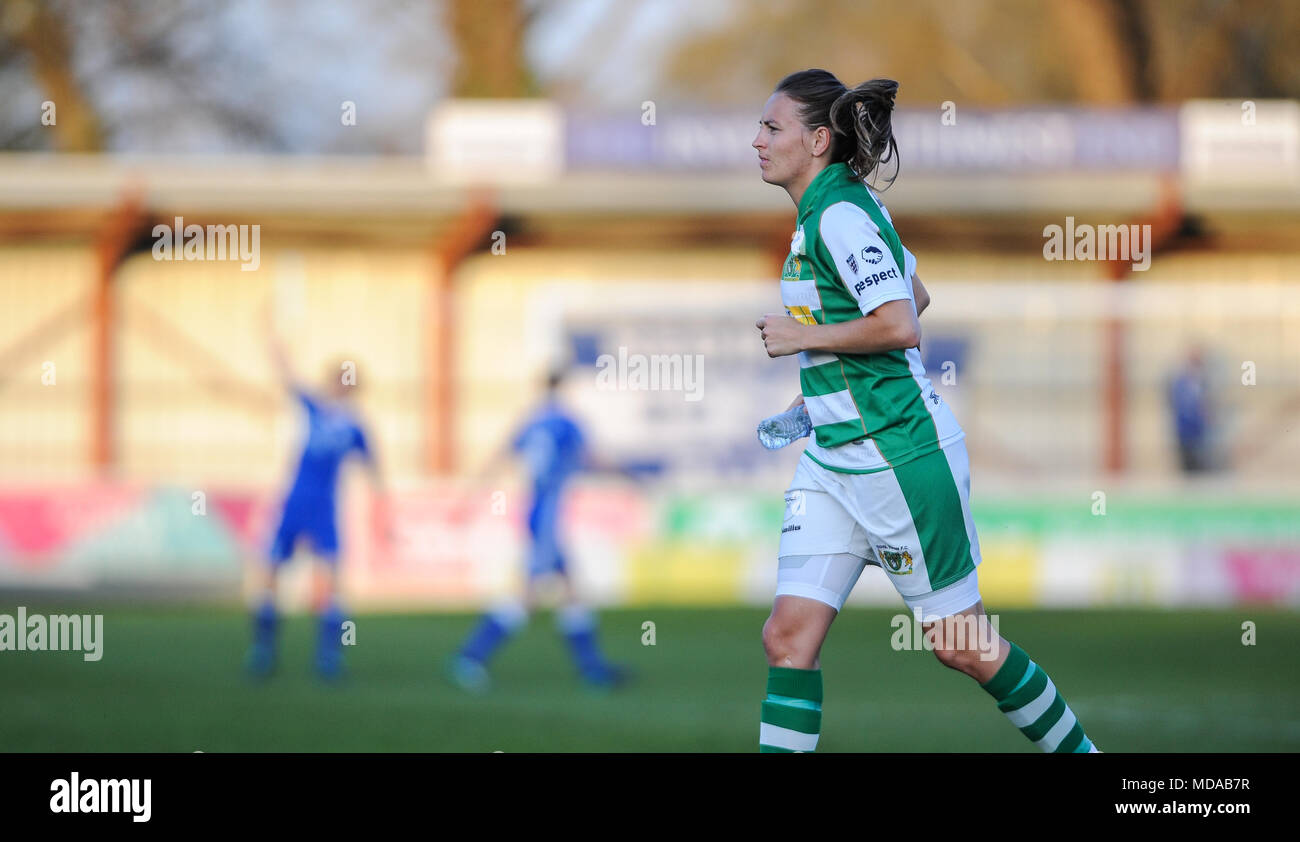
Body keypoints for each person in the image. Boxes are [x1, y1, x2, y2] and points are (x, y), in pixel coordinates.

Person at [751, 69, 1099, 752]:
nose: (756, 141)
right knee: (787, 638)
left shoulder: (842, 216)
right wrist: (821, 385)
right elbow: (916, 290)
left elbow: (903, 321)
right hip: (833, 460)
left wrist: (805, 337)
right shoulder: (827, 211)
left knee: (961, 645)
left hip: (898, 454)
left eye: (772, 127)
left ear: (818, 140)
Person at [447, 368, 628, 692]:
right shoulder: (567, 422)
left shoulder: (531, 420)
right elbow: (592, 457)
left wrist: (471, 496)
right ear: (565, 387)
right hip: (548, 516)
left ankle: (591, 668)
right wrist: (630, 476)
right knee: (529, 595)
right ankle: (471, 656)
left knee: (571, 592)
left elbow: (500, 457)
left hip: (535, 510)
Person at [245, 311, 387, 681]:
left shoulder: (353, 423)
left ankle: (327, 657)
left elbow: (373, 469)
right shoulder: (317, 408)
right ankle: (265, 652)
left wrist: (382, 511)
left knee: (326, 583)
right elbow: (287, 373)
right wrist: (272, 339)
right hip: (296, 502)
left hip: (321, 507)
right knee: (271, 575)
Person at [1167, 346, 1214, 473]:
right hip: (1185, 432)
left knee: (1201, 469)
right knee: (1188, 468)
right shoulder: (1181, 381)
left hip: (1199, 434)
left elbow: (1206, 406)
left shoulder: (1202, 381)